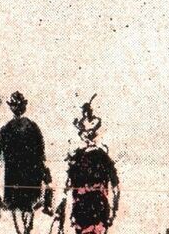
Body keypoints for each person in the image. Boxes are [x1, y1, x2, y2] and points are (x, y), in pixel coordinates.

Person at [0, 90, 52, 234]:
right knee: (29, 207)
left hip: (14, 174)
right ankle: (27, 230)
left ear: (11, 108)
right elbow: (42, 154)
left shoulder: (5, 129)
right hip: (31, 173)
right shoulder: (33, 127)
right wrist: (46, 174)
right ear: (24, 107)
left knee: (16, 209)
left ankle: (22, 231)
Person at [61, 97, 120, 234]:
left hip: (85, 211)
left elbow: (67, 188)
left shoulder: (78, 157)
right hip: (96, 211)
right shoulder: (103, 157)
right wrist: (113, 211)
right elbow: (116, 188)